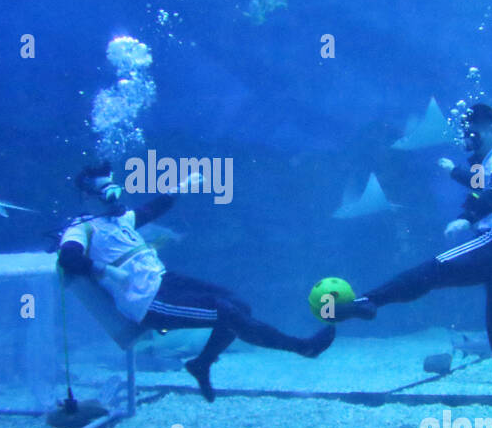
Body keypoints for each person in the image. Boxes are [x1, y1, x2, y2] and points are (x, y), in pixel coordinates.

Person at [330, 104, 492, 428]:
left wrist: (467, 216)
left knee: (433, 271)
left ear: (490, 127)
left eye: (473, 135)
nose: (470, 142)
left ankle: (370, 301)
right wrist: (454, 171)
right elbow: (486, 182)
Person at [57, 161, 335, 401]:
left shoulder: (119, 221)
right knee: (227, 312)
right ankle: (302, 347)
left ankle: (201, 364)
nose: (114, 197)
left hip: (164, 280)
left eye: (114, 189)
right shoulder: (81, 228)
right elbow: (69, 259)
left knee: (238, 304)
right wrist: (106, 270)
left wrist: (183, 184)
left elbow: (153, 209)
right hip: (148, 301)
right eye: (106, 192)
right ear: (87, 196)